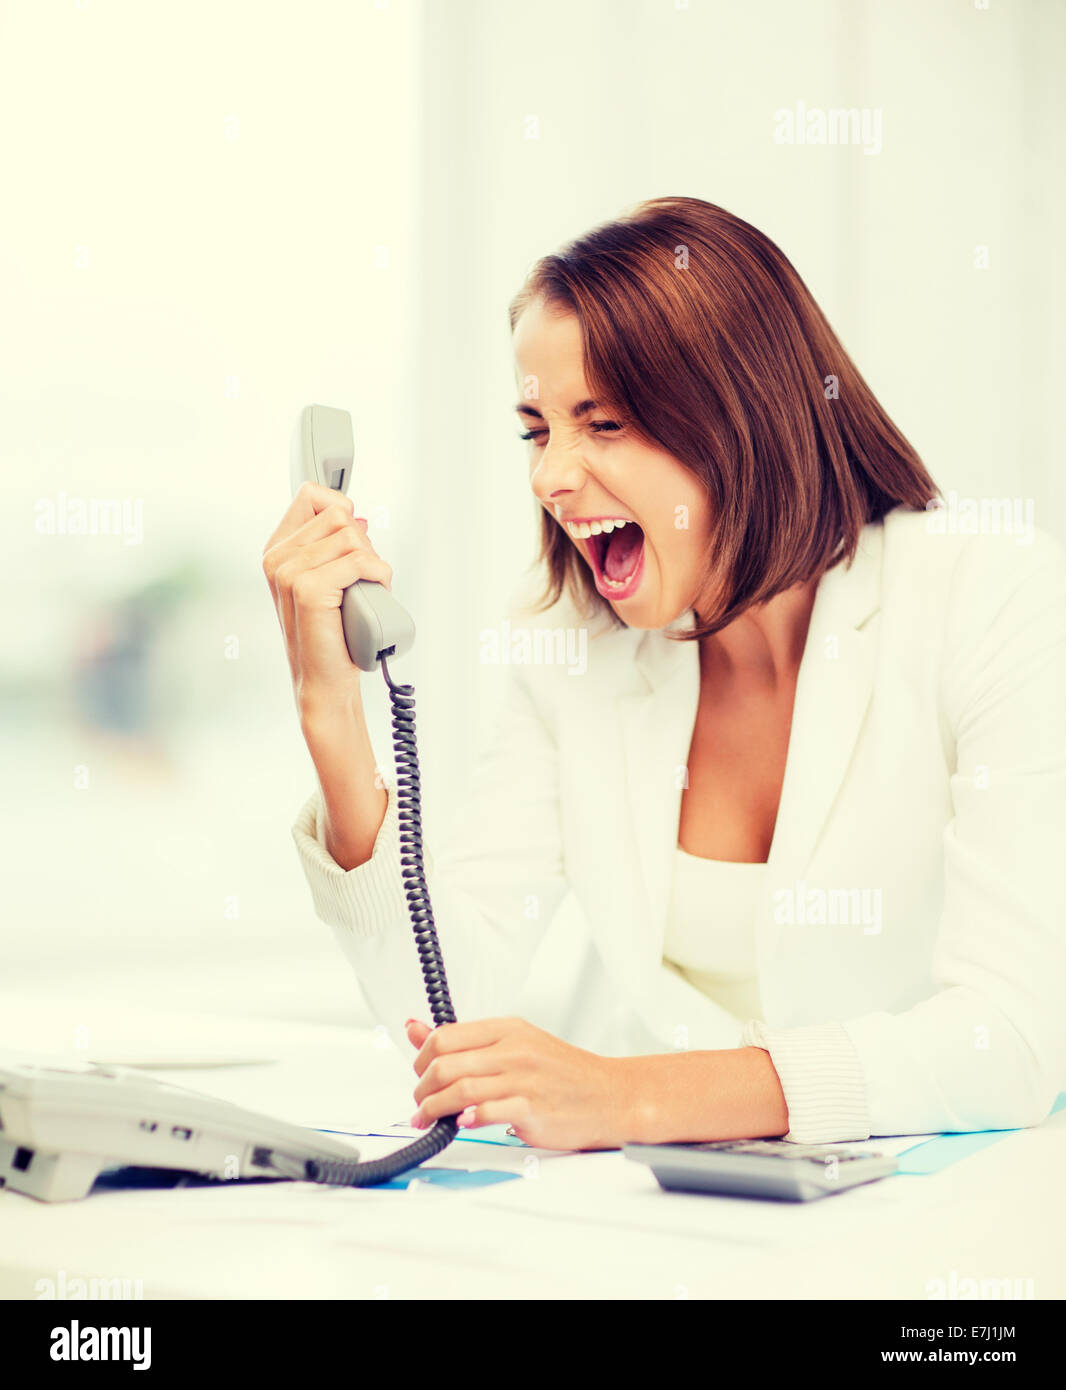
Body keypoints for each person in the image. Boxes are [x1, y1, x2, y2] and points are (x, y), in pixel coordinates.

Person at [263, 197, 1066, 1151]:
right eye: (537, 430)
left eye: (601, 424)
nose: (549, 478)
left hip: (920, 1229)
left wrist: (632, 1096)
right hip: (660, 1223)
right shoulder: (578, 654)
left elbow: (1007, 1038)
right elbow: (445, 1010)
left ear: (742, 416)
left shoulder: (991, 594)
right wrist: (332, 713)